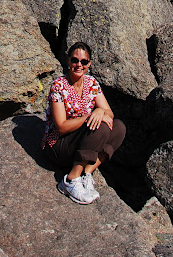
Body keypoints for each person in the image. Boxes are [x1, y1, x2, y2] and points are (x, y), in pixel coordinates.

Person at [42, 41, 126, 204]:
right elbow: (61, 127)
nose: (79, 65)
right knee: (99, 126)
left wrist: (100, 111)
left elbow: (109, 113)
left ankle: (86, 173)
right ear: (68, 61)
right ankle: (70, 180)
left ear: (89, 63)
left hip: (80, 142)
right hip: (57, 146)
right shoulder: (59, 86)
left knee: (118, 127)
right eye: (75, 60)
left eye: (84, 61)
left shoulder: (92, 83)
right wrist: (90, 117)